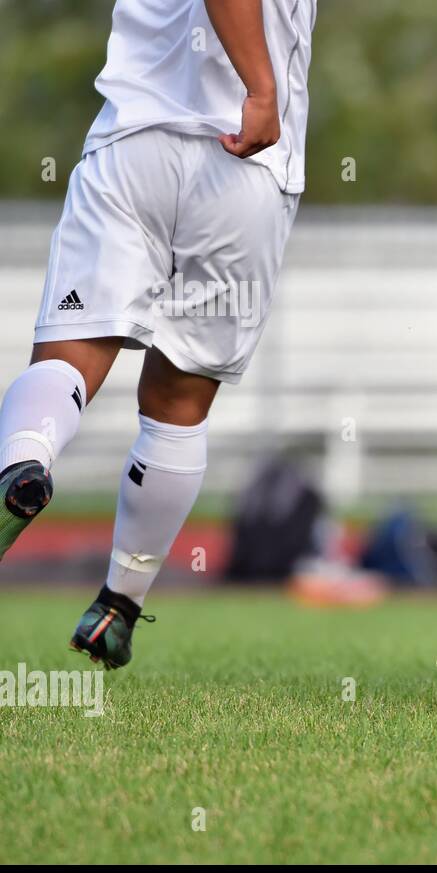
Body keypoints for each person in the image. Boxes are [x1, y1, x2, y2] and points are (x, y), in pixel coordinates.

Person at [0, 0, 316, 668]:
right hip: (248, 162)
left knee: (70, 359)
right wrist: (261, 88)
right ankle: (118, 602)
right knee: (178, 406)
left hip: (133, 140)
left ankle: (24, 462)